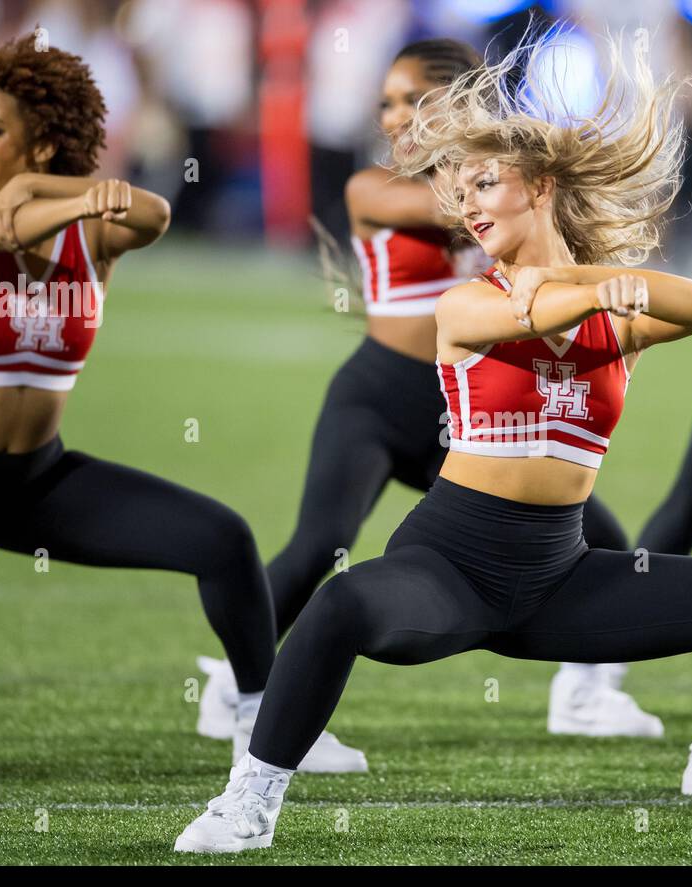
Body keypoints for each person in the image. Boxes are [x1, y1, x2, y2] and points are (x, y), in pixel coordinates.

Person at [174, 30, 692, 854]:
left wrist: (584, 277)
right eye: (458, 188)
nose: (466, 203)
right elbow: (529, 312)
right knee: (342, 603)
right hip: (452, 565)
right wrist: (578, 285)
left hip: (559, 573)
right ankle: (249, 799)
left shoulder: (610, 313)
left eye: (485, 183)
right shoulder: (465, 305)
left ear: (540, 186)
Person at [195, 39, 661, 762]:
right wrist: (523, 175)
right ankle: (239, 688)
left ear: (461, 102)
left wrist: (532, 179)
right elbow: (449, 206)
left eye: (415, 100)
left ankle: (586, 695)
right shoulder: (376, 190)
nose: (394, 117)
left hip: (472, 412)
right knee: (322, 543)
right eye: (385, 103)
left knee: (603, 536)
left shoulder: (489, 184)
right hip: (380, 398)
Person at [0, 35, 275, 767]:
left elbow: (154, 212)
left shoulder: (92, 240)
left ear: (43, 144)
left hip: (33, 484)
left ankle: (266, 729)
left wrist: (53, 187)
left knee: (223, 541)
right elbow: (0, 227)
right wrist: (51, 189)